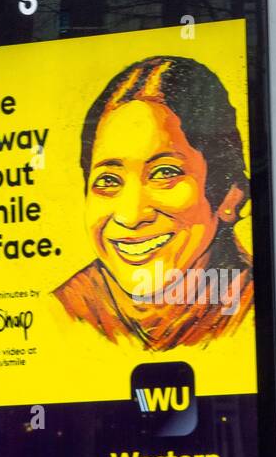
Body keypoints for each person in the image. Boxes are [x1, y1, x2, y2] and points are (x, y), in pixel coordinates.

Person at [54, 56, 253, 350]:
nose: (131, 216)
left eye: (165, 173)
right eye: (109, 180)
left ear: (230, 196)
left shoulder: (255, 316)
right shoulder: (63, 315)